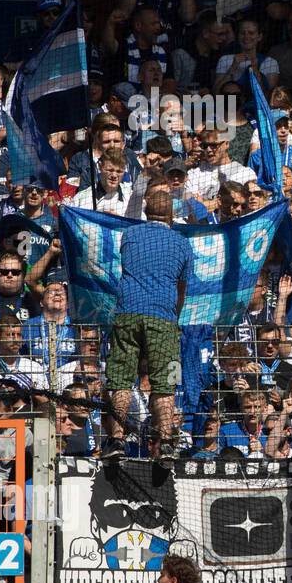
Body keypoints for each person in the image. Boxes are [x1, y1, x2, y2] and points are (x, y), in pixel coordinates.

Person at [103, 190, 194, 462]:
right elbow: (181, 289)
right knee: (165, 384)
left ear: (146, 213)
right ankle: (165, 442)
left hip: (128, 312)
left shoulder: (130, 236)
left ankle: (116, 440)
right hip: (162, 316)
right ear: (171, 215)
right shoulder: (181, 244)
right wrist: (172, 316)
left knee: (119, 379)